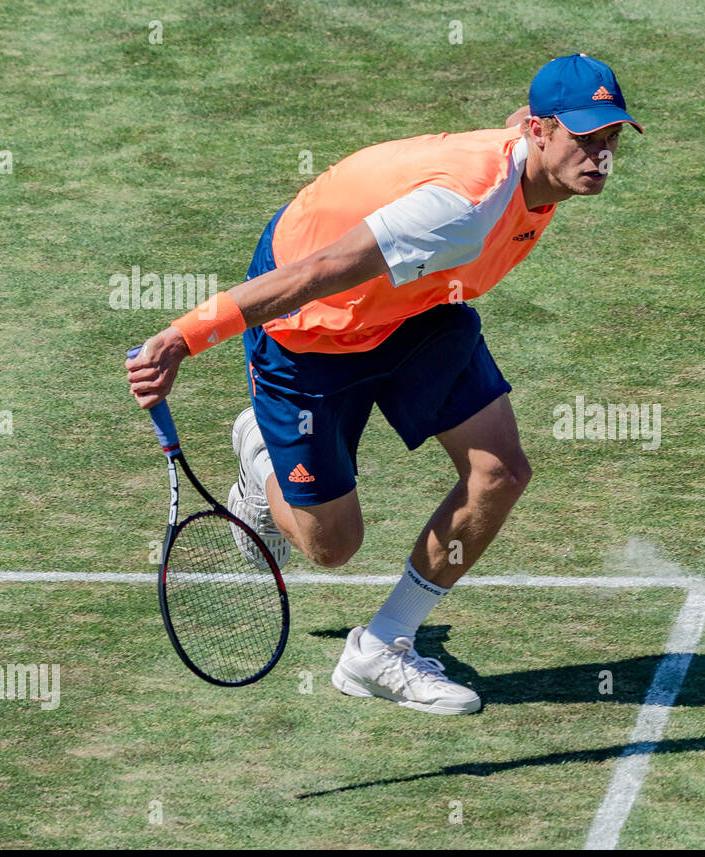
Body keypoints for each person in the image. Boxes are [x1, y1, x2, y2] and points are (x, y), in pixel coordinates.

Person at [125, 54, 642, 715]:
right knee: (331, 545)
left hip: (415, 308)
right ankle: (262, 464)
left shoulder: (533, 159)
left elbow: (513, 125)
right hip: (310, 326)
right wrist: (184, 335)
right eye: (584, 138)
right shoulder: (461, 210)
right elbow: (323, 269)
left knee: (501, 471)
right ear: (540, 132)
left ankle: (381, 647)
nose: (599, 156)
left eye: (610, 139)